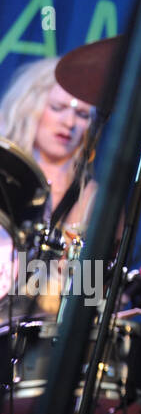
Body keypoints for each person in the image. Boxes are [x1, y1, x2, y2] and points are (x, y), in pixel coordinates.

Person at [0, 57, 98, 298]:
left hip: (42, 324)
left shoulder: (93, 197)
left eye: (83, 114)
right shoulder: (4, 173)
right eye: (57, 108)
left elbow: (91, 291)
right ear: (28, 107)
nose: (69, 122)